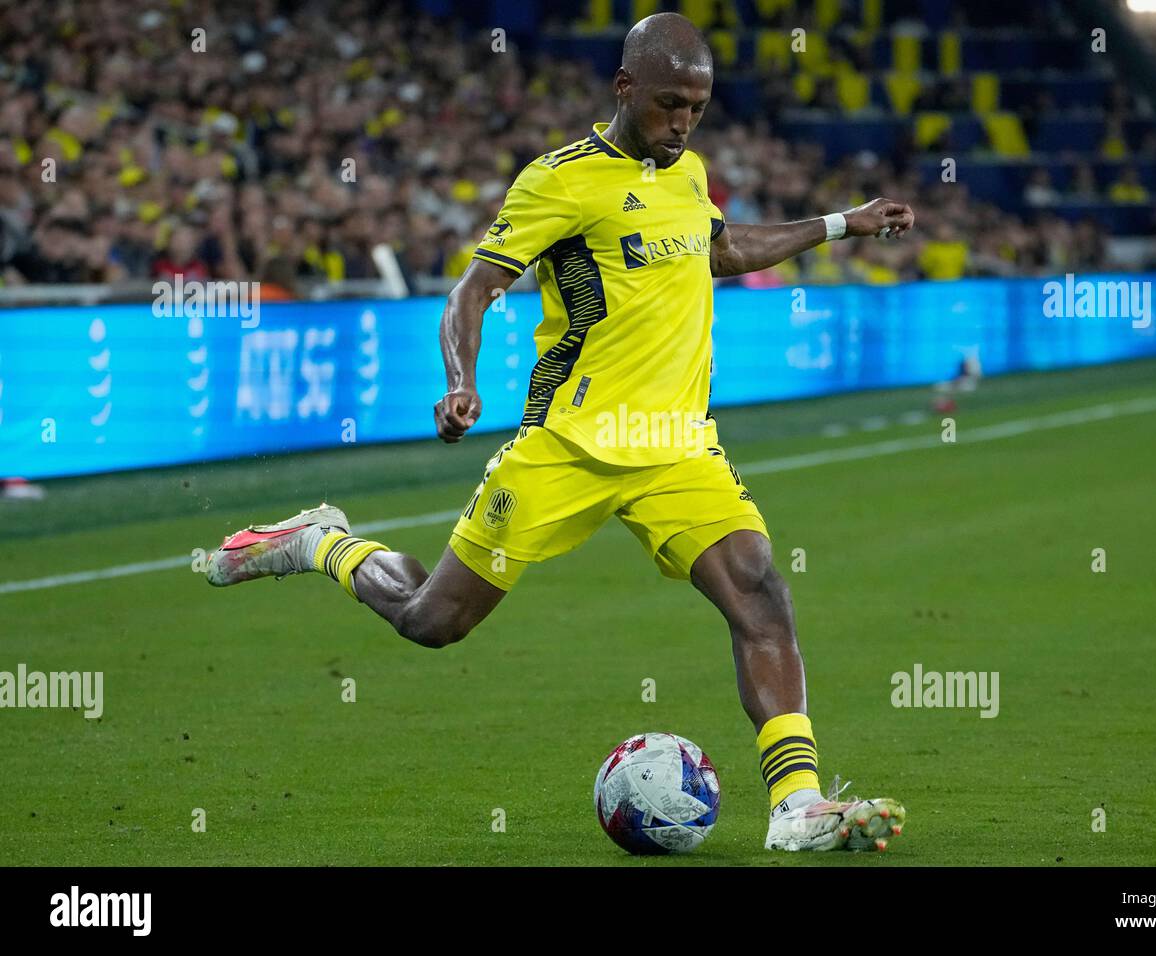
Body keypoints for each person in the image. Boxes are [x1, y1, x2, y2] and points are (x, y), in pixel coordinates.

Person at [205, 13, 914, 853]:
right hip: (569, 444)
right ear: (624, 90)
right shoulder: (560, 181)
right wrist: (462, 384)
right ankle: (322, 541)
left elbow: (720, 250)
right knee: (434, 622)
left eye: (698, 106)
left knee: (760, 593)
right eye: (668, 105)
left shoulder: (687, 172)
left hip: (679, 448)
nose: (683, 122)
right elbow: (472, 291)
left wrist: (841, 223)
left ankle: (795, 804)